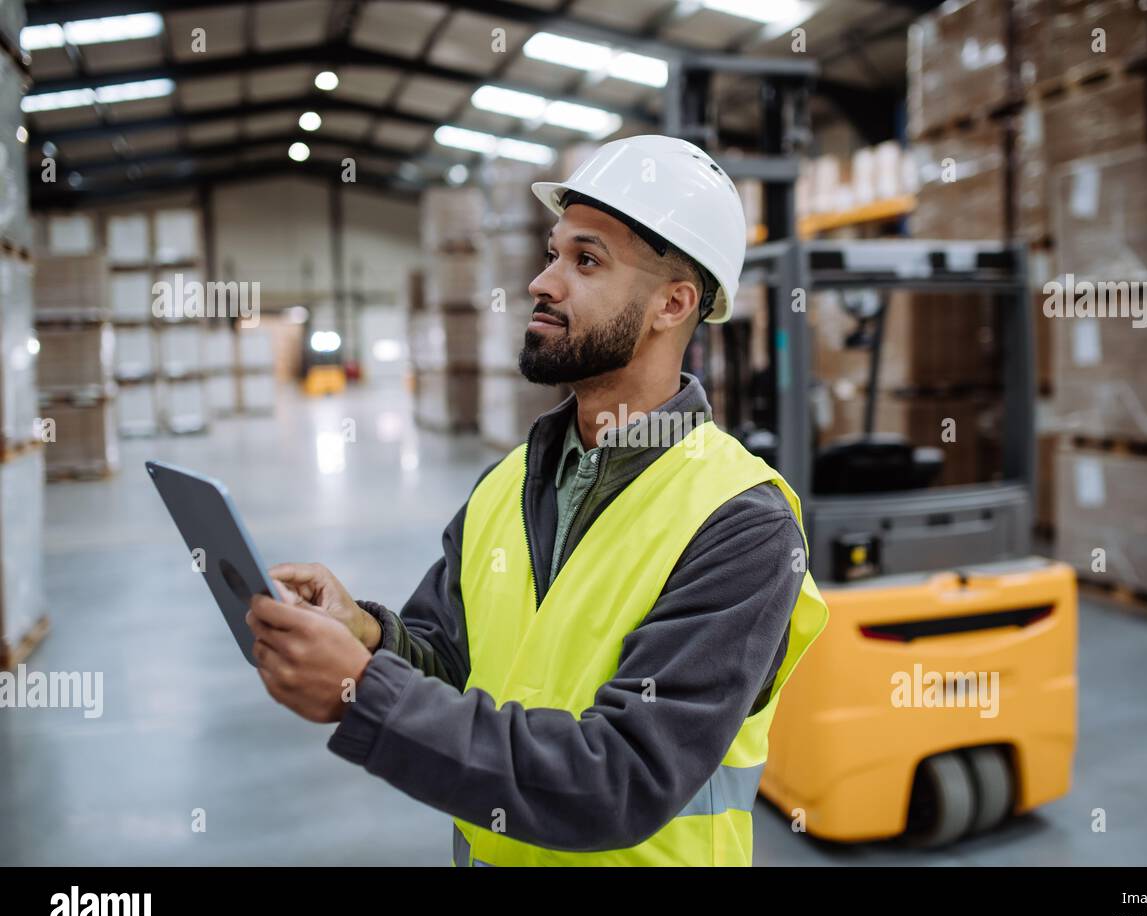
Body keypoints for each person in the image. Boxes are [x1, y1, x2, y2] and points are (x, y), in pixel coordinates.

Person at [245, 134, 829, 866]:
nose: (541, 283)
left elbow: (622, 778)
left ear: (673, 303)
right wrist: (366, 635)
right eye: (553, 253)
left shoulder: (741, 524)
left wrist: (366, 692)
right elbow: (453, 662)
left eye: (586, 261)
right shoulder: (510, 482)